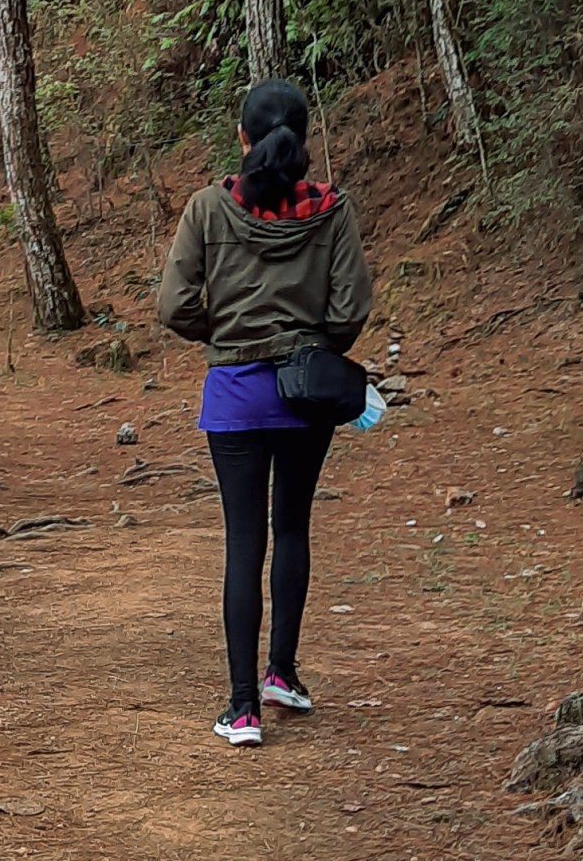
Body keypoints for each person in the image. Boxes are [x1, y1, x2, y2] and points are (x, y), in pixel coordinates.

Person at [157, 78, 374, 746]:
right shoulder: (332, 211)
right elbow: (349, 311)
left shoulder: (207, 209)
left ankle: (243, 708)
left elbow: (174, 306)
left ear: (243, 137)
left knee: (244, 543)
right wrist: (309, 344)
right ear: (300, 140)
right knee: (295, 529)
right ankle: (283, 674)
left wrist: (225, 339)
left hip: (235, 398)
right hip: (305, 396)